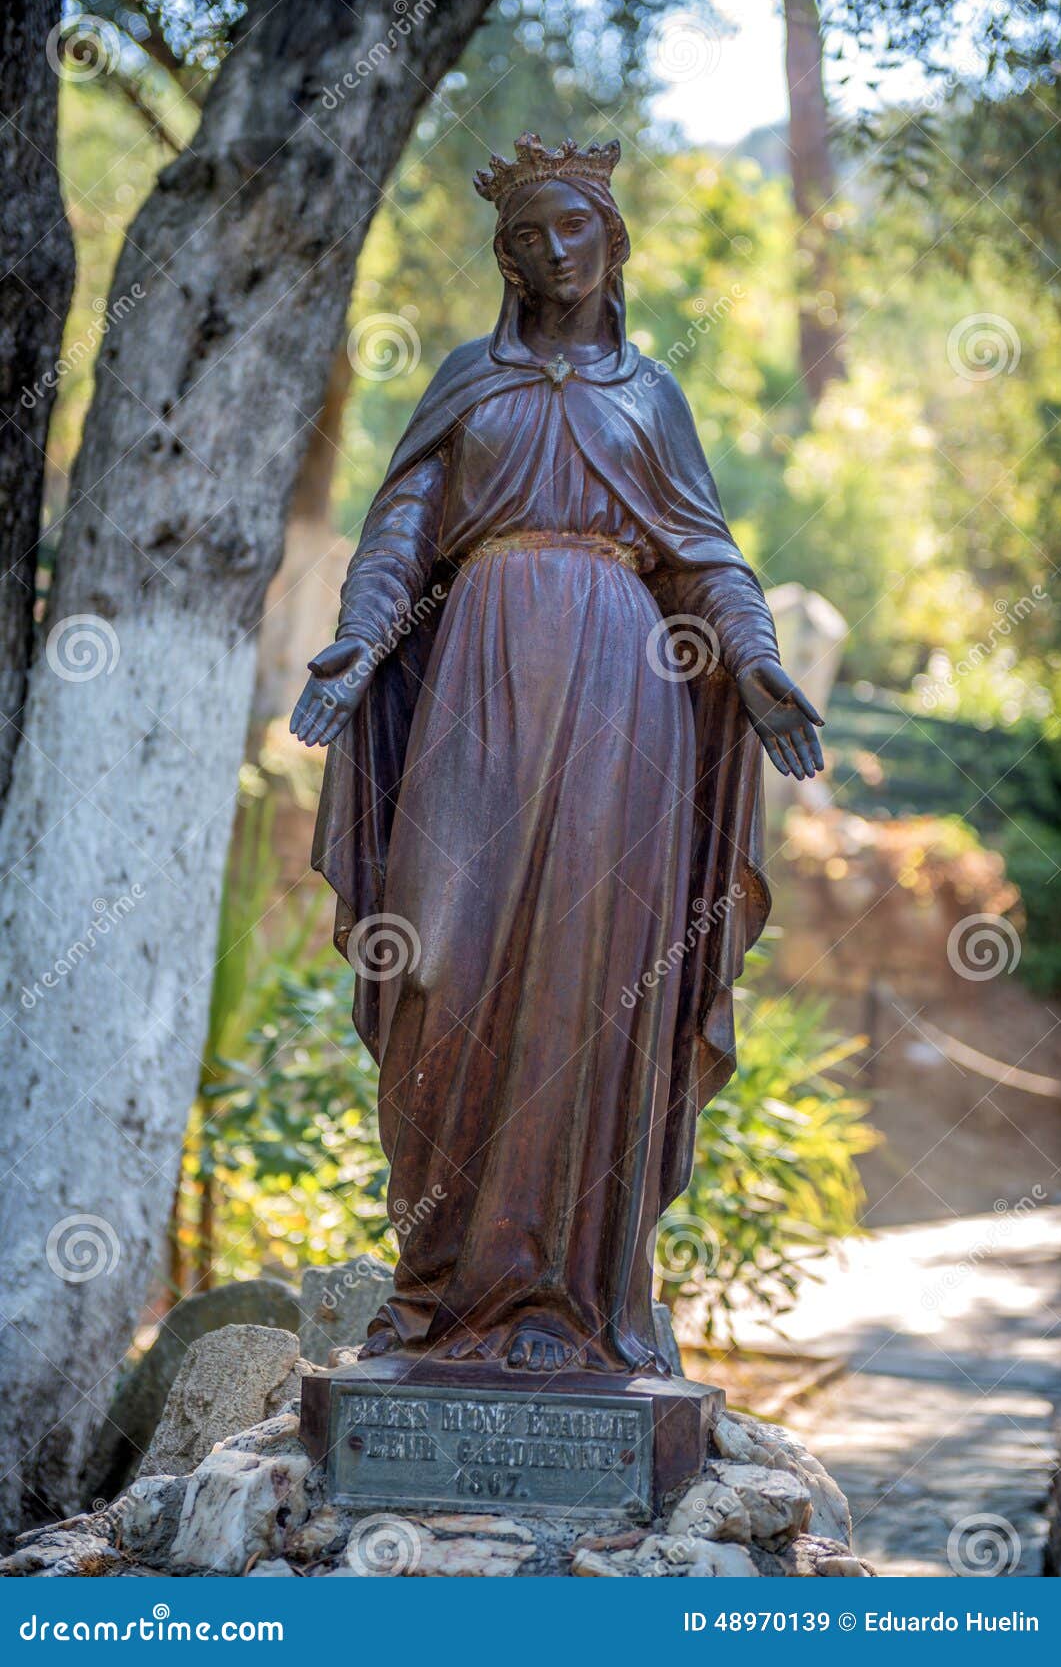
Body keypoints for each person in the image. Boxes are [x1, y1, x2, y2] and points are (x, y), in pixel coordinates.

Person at [292, 134, 823, 1375]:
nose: (549, 249)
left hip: (623, 701)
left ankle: (571, 1307)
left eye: (570, 226)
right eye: (524, 235)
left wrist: (752, 660)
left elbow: (705, 554)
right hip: (476, 682)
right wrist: (361, 640)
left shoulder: (651, 400)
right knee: (441, 959)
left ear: (612, 239)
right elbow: (403, 531)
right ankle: (437, 1290)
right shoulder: (469, 383)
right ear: (505, 258)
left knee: (598, 981)